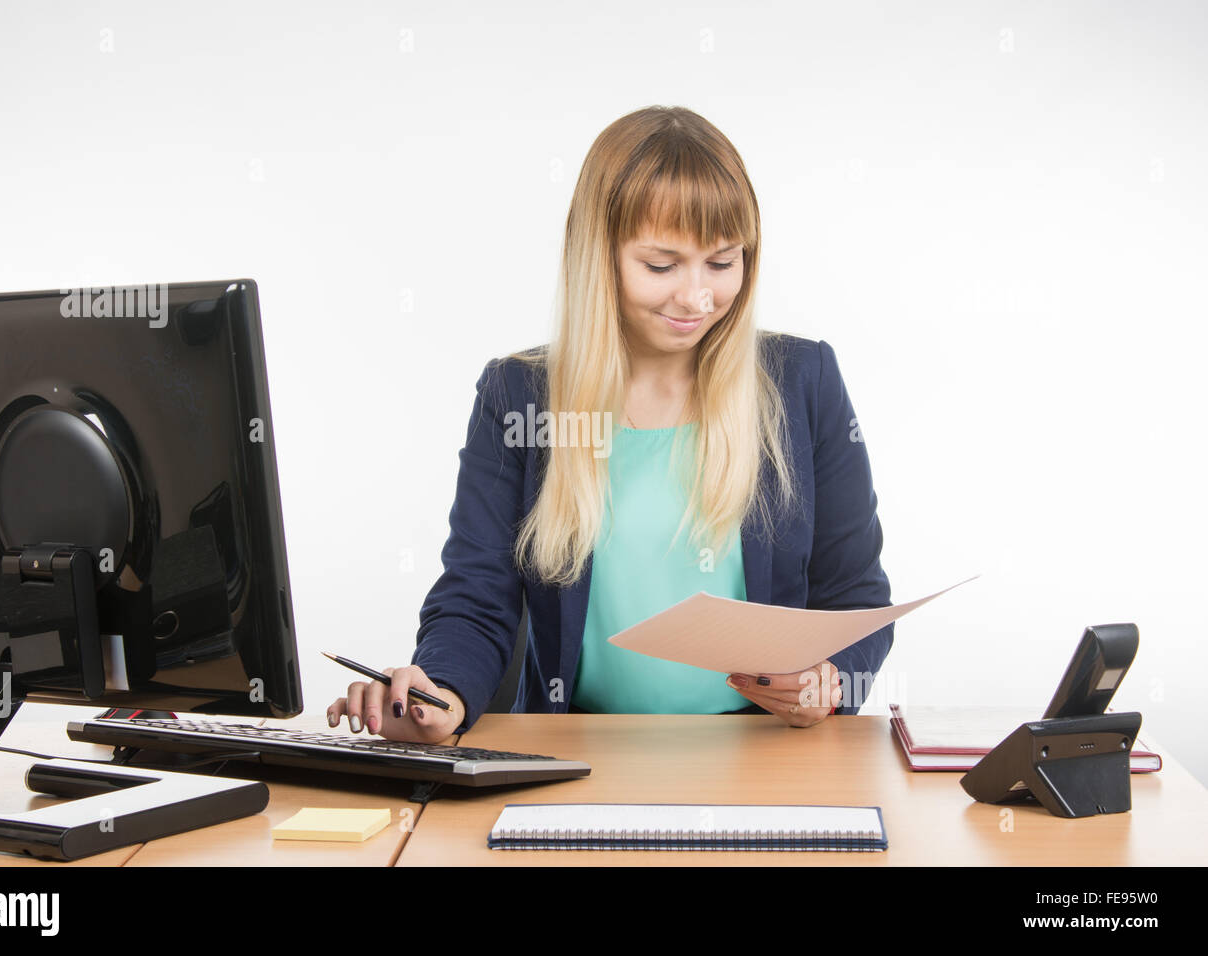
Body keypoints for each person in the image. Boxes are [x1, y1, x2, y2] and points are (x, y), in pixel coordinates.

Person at [327, 105, 892, 742]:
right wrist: (443, 696)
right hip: (580, 755)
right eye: (661, 265)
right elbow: (476, 594)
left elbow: (858, 599)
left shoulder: (801, 381)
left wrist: (830, 682)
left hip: (766, 756)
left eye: (722, 261)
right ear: (599, 258)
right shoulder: (522, 397)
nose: (697, 297)